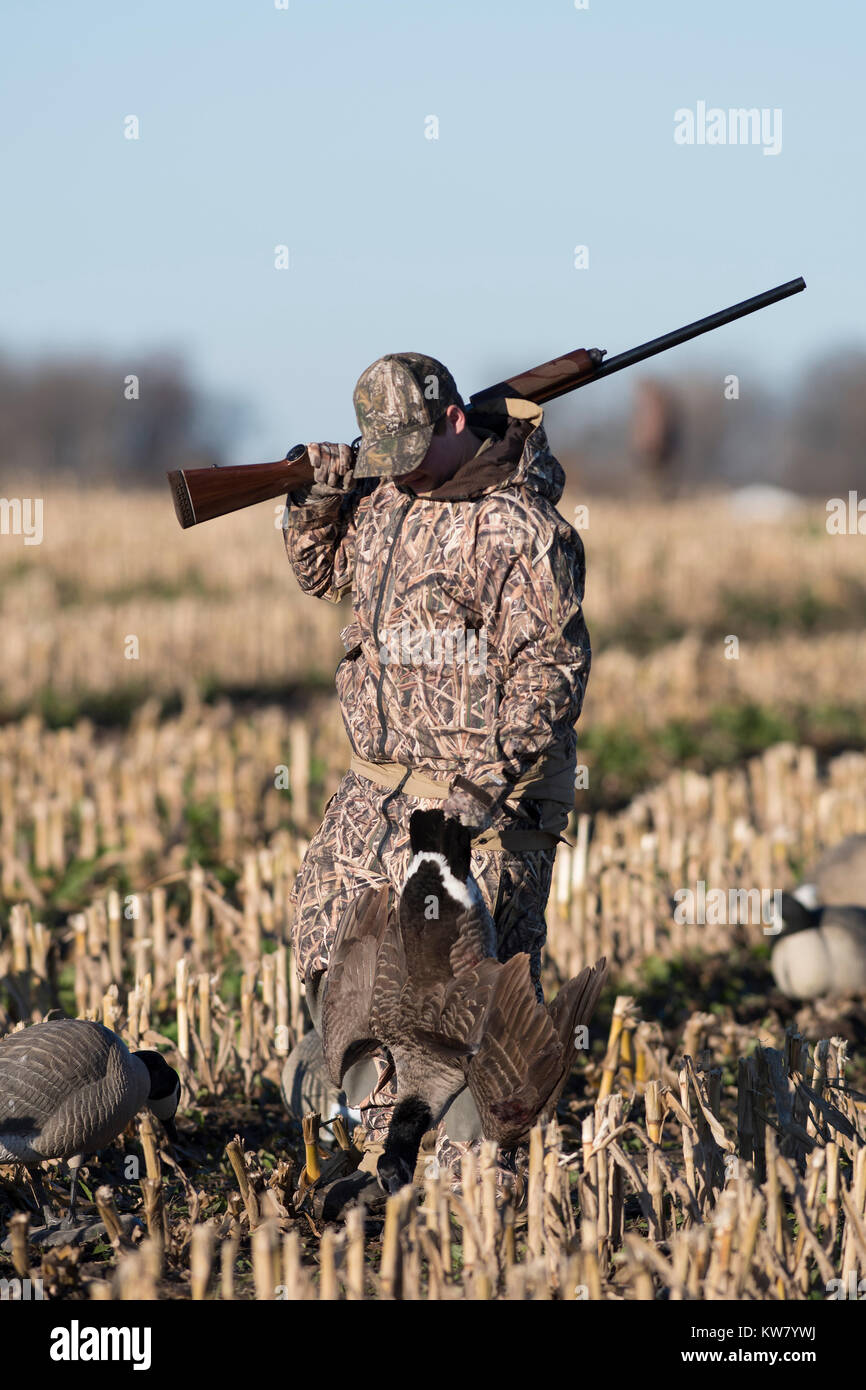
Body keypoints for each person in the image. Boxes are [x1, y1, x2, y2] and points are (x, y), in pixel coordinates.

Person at [282, 352, 590, 1196]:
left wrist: (474, 797)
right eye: (385, 454)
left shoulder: (520, 529)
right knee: (327, 947)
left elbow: (551, 675)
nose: (400, 470)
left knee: (459, 1005)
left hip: (478, 800)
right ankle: (379, 1148)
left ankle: (461, 1194)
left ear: (454, 420)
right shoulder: (386, 495)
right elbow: (325, 575)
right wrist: (313, 499)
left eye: (412, 450)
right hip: (375, 784)